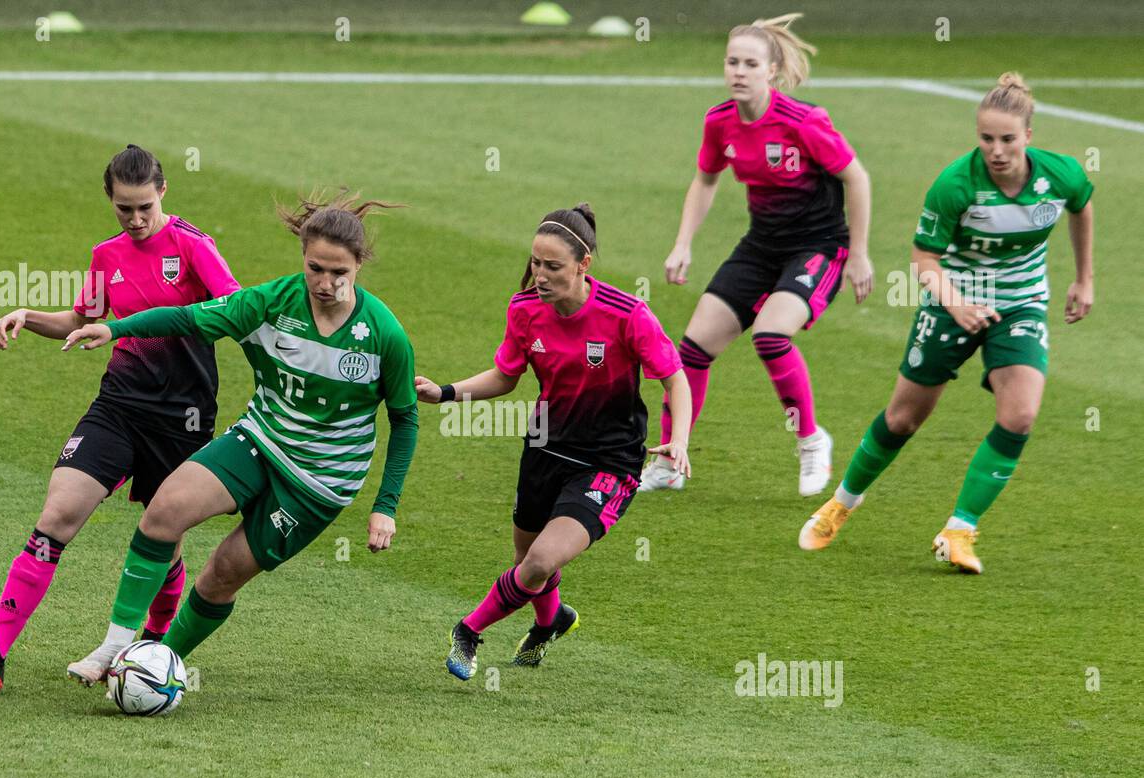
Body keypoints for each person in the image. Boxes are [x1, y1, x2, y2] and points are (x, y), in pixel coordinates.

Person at [60, 192, 418, 674]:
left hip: (317, 484)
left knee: (221, 574)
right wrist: (116, 328)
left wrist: (385, 507)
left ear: (359, 266)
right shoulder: (269, 303)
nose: (326, 283)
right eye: (316, 268)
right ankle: (113, 647)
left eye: (339, 273)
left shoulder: (384, 335)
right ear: (303, 257)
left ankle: (157, 667)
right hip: (260, 440)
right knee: (163, 512)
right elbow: (188, 318)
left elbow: (405, 418)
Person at [0, 144, 240, 693]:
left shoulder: (195, 247)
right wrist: (27, 315)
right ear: (110, 199)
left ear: (163, 194)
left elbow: (233, 311)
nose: (135, 220)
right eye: (123, 209)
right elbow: (82, 319)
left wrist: (157, 322)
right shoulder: (107, 254)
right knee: (57, 515)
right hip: (118, 405)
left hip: (182, 418)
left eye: (144, 208)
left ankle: (150, 646)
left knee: (164, 539)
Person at [799, 73, 1094, 573]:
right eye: (986, 139)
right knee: (903, 419)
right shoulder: (956, 184)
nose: (996, 150)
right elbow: (923, 257)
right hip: (950, 303)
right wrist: (956, 304)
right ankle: (842, 503)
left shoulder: (1059, 175)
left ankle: (959, 530)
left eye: (1007, 139)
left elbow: (1082, 206)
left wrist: (1084, 279)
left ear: (1029, 136)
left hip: (1020, 305)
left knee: (1020, 414)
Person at [416, 205, 691, 681]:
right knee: (528, 563)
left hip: (609, 462)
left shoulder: (628, 315)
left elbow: (675, 380)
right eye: (536, 263)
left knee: (542, 559)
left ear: (583, 264)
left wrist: (679, 440)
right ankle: (551, 623)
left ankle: (469, 630)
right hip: (545, 448)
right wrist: (446, 392)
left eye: (553, 266)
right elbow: (506, 376)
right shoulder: (524, 310)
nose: (540, 275)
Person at [639, 12, 873, 497]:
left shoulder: (804, 122)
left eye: (750, 63)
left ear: (771, 71)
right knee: (692, 350)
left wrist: (860, 254)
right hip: (762, 244)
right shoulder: (720, 122)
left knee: (770, 335)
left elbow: (857, 177)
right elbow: (705, 180)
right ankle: (668, 461)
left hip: (819, 247)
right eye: (732, 62)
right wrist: (683, 243)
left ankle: (811, 440)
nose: (739, 72)